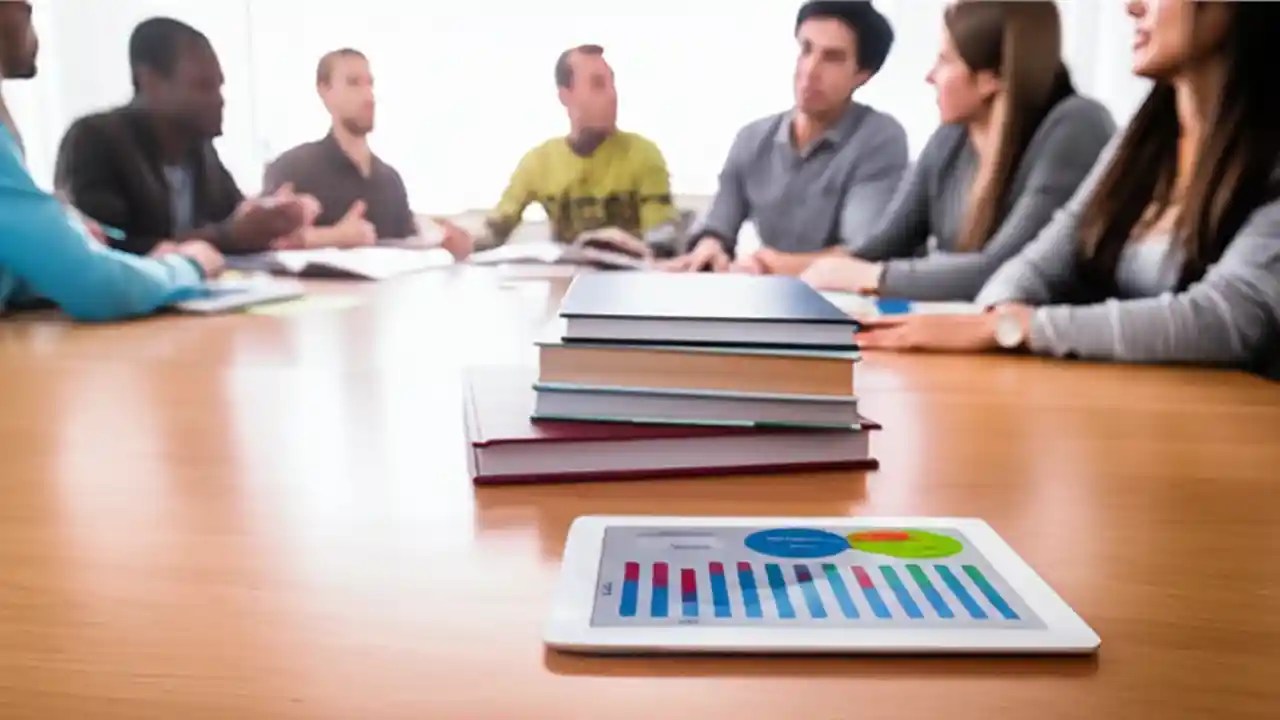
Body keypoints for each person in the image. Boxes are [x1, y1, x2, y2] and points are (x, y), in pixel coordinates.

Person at [854, 0, 1280, 378]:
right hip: (1124, 407)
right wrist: (994, 317)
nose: (1131, 7)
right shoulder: (1145, 138)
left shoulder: (1080, 122)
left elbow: (1227, 319)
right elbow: (1045, 258)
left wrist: (1016, 328)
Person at [800, 1, 1115, 300]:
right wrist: (826, 271)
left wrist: (873, 277)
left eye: (945, 60)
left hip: (1049, 345)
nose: (930, 76)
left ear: (991, 78)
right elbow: (884, 246)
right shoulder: (951, 136)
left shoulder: (1077, 125)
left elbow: (1006, 269)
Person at [0, 1, 223, 322]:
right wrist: (190, 264)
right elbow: (97, 287)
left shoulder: (199, 150)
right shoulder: (98, 136)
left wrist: (64, 247)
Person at [665, 0, 908, 274]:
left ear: (863, 75)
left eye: (832, 58)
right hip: (776, 299)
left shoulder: (880, 138)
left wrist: (770, 264)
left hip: (850, 303)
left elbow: (862, 253)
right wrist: (710, 247)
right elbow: (718, 224)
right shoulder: (752, 138)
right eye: (805, 49)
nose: (810, 70)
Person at [54, 17, 313, 256]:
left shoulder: (198, 148)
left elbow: (233, 217)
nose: (219, 100)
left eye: (219, 86)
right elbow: (104, 247)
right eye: (203, 86)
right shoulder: (95, 140)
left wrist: (269, 218)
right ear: (150, 82)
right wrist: (228, 236)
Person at [452, 44, 681, 258]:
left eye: (612, 84)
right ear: (565, 95)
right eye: (598, 85)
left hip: (632, 286)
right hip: (567, 288)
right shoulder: (540, 162)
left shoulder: (643, 154)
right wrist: (457, 240)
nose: (611, 95)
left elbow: (662, 241)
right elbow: (495, 231)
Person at [261, 49, 470, 256]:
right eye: (353, 83)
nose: (368, 95)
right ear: (324, 90)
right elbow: (260, 241)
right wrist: (334, 237)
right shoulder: (292, 169)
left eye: (370, 83)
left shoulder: (390, 181)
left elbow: (408, 251)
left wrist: (446, 246)